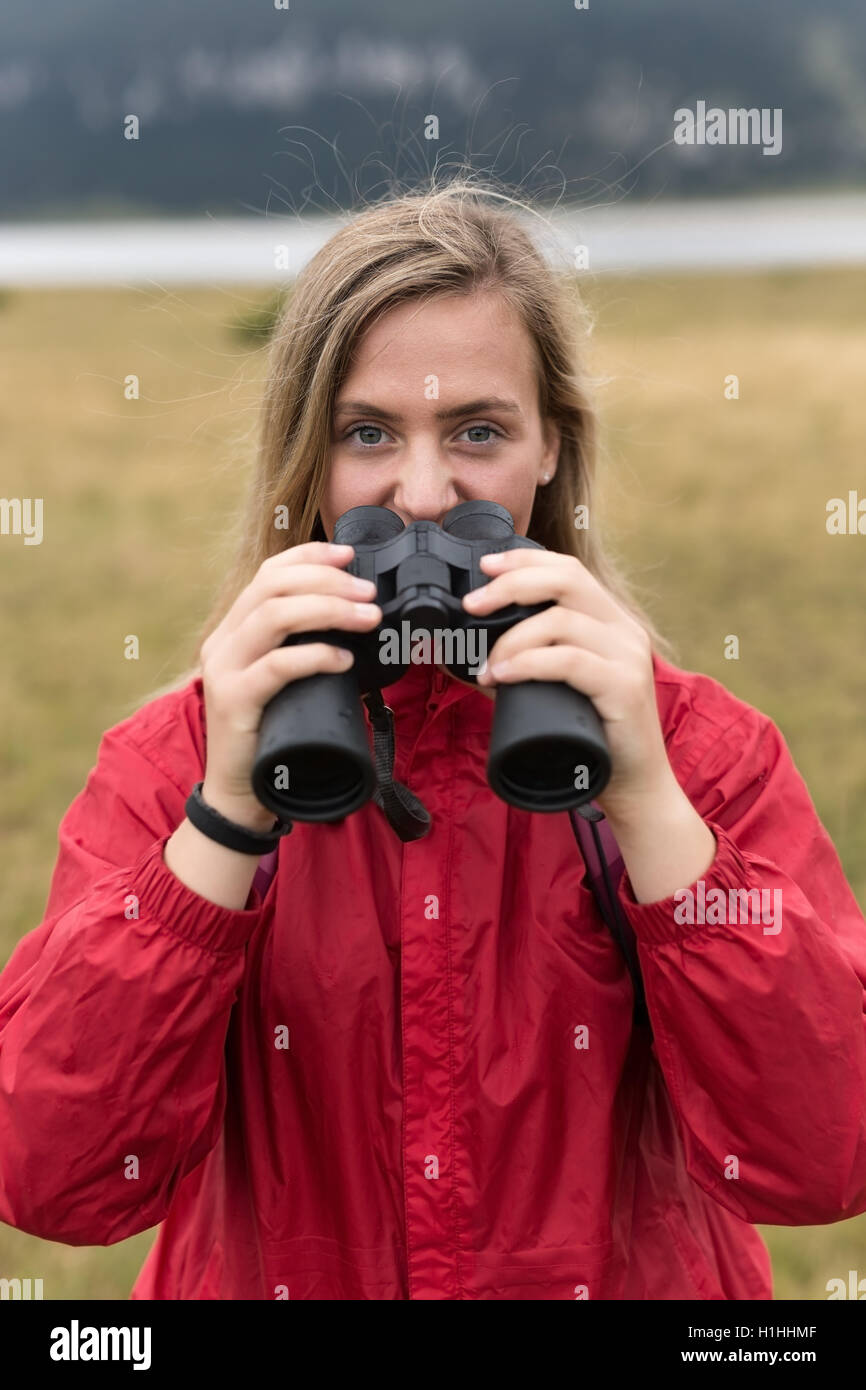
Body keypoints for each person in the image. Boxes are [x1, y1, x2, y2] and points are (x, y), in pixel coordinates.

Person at [1, 179, 865, 1301]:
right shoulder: (175, 764)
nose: (421, 493)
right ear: (305, 463)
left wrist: (649, 800)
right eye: (367, 434)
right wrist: (220, 820)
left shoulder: (694, 752)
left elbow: (822, 1154)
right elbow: (54, 1180)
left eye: (476, 431)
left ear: (551, 447)